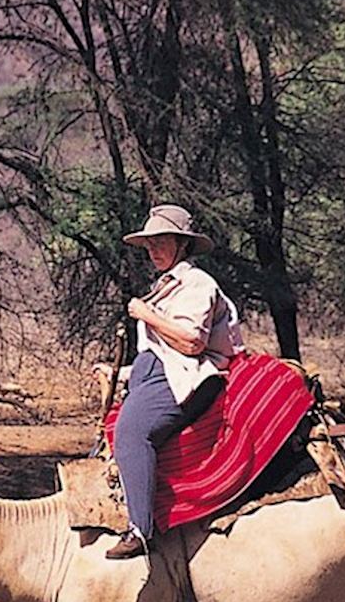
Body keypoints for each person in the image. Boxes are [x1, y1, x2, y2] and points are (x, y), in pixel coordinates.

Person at [99, 204, 244, 559]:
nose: (154, 249)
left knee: (131, 433)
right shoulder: (165, 287)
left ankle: (141, 530)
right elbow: (160, 352)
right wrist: (121, 372)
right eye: (150, 243)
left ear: (183, 244)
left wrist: (147, 314)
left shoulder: (197, 283)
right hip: (160, 373)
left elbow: (191, 343)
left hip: (191, 377)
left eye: (162, 241)